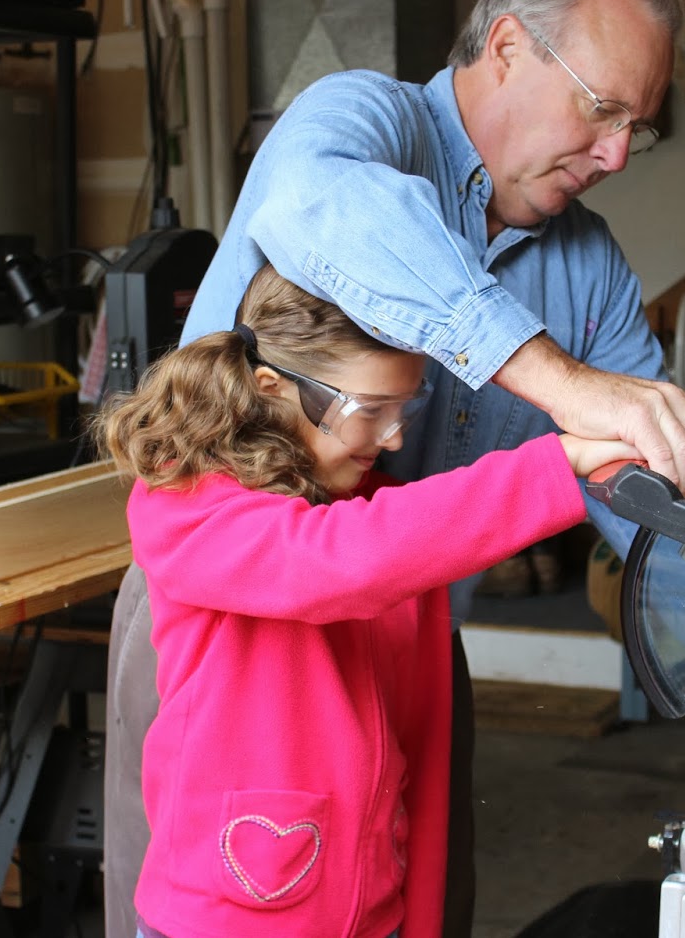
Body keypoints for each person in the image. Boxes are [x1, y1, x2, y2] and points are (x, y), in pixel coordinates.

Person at [106, 0, 685, 938]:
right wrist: (558, 391)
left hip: (409, 629)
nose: (614, 153)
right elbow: (320, 212)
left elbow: (645, 485)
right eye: (601, 108)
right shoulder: (363, 122)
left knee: (421, 896)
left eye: (634, 130)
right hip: (235, 647)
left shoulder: (588, 268)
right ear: (510, 49)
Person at [98, 264, 638, 938]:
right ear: (274, 388)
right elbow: (337, 560)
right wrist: (556, 465)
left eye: (404, 408)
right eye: (372, 412)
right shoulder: (188, 506)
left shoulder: (386, 519)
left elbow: (422, 757)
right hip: (231, 914)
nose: (396, 437)